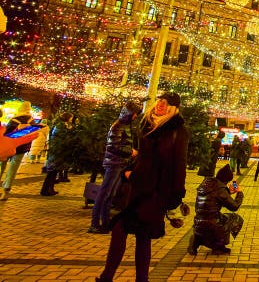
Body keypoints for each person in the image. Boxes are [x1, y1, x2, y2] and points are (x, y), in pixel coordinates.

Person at [96, 92, 189, 282]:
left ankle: (139, 279)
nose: (160, 104)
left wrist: (177, 194)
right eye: (159, 100)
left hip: (155, 191)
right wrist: (129, 171)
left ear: (173, 108)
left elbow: (179, 164)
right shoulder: (146, 125)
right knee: (119, 229)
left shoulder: (177, 131)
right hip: (136, 188)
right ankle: (107, 276)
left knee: (143, 237)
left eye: (166, 103)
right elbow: (142, 156)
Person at [89, 100, 141, 233]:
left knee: (110, 194)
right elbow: (113, 146)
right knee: (104, 193)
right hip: (114, 163)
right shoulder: (118, 126)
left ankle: (105, 223)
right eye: (134, 114)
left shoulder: (125, 125)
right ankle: (95, 223)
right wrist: (131, 152)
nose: (135, 117)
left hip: (120, 163)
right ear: (129, 114)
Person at [189, 165, 244, 255]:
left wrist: (228, 192)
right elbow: (234, 206)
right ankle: (218, 246)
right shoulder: (221, 189)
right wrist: (239, 192)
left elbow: (213, 196)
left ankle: (196, 241)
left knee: (212, 219)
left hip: (197, 223)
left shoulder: (205, 184)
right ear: (226, 180)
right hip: (212, 225)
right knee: (233, 218)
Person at [1, 101, 35, 201]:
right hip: (22, 147)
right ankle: (6, 190)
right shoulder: (31, 121)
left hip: (8, 145)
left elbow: (6, 133)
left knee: (1, 166)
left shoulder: (14, 119)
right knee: (13, 169)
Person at [40, 112, 76, 197]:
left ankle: (50, 189)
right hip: (56, 151)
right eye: (71, 117)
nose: (72, 119)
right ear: (68, 117)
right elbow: (61, 137)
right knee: (51, 172)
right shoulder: (60, 126)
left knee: (54, 172)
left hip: (58, 151)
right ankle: (45, 190)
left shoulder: (63, 125)